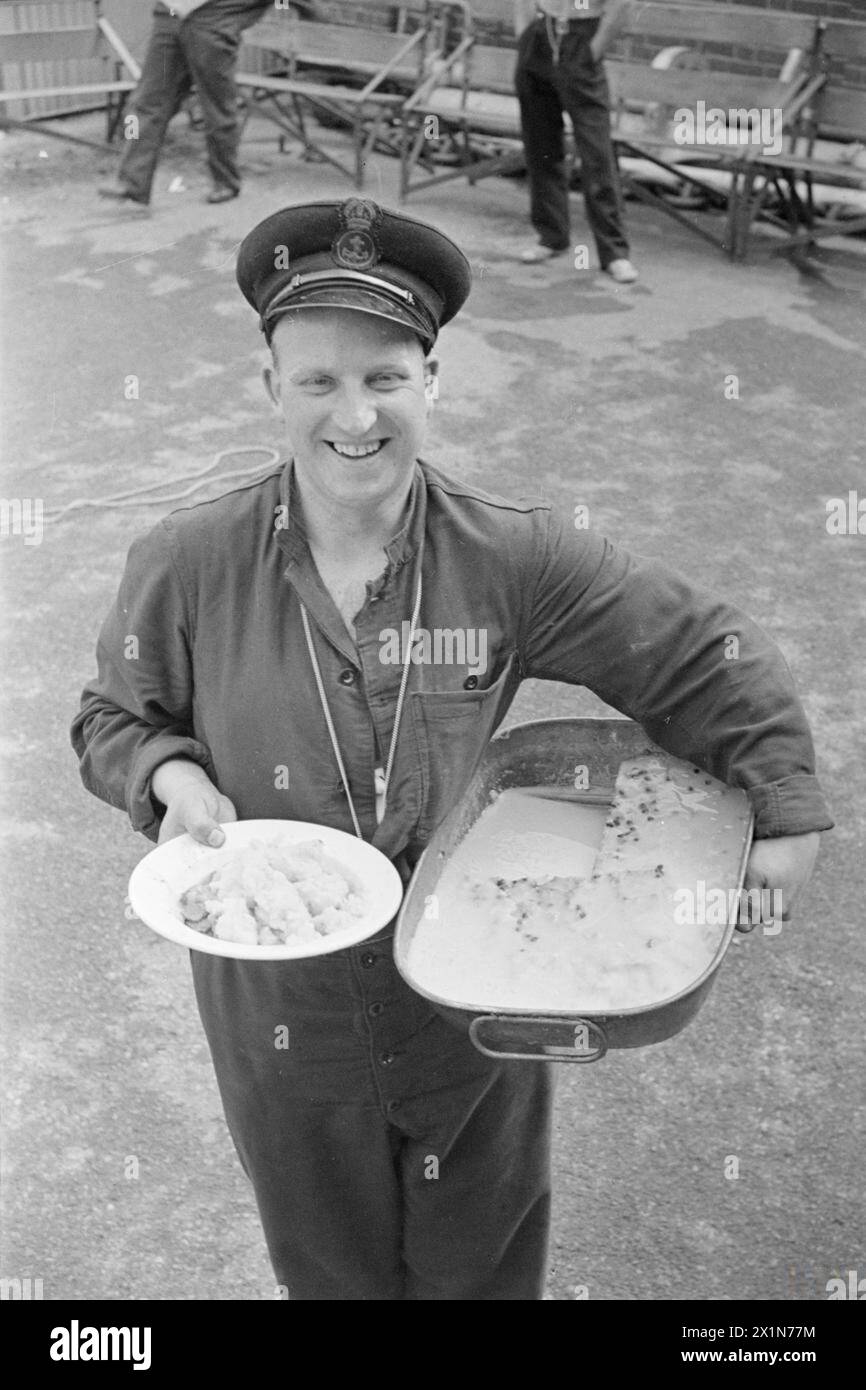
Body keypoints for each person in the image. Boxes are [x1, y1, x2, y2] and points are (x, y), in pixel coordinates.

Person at [71, 197, 832, 1300]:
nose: (355, 416)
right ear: (268, 387)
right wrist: (172, 776)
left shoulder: (510, 555)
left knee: (480, 1267)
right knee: (329, 1272)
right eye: (317, 381)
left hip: (475, 1007)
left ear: (432, 381)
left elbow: (696, 651)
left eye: (385, 377)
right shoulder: (187, 558)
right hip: (279, 1020)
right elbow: (112, 717)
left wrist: (785, 810)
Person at [98, 0, 272, 208]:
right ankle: (132, 181)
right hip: (170, 13)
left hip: (212, 17)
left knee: (217, 107)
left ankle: (226, 180)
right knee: (146, 101)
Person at [514, 0, 638, 281]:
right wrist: (525, 35)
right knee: (541, 147)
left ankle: (615, 254)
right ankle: (551, 237)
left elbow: (622, 5)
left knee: (597, 153)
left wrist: (594, 49)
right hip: (540, 36)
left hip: (582, 37)